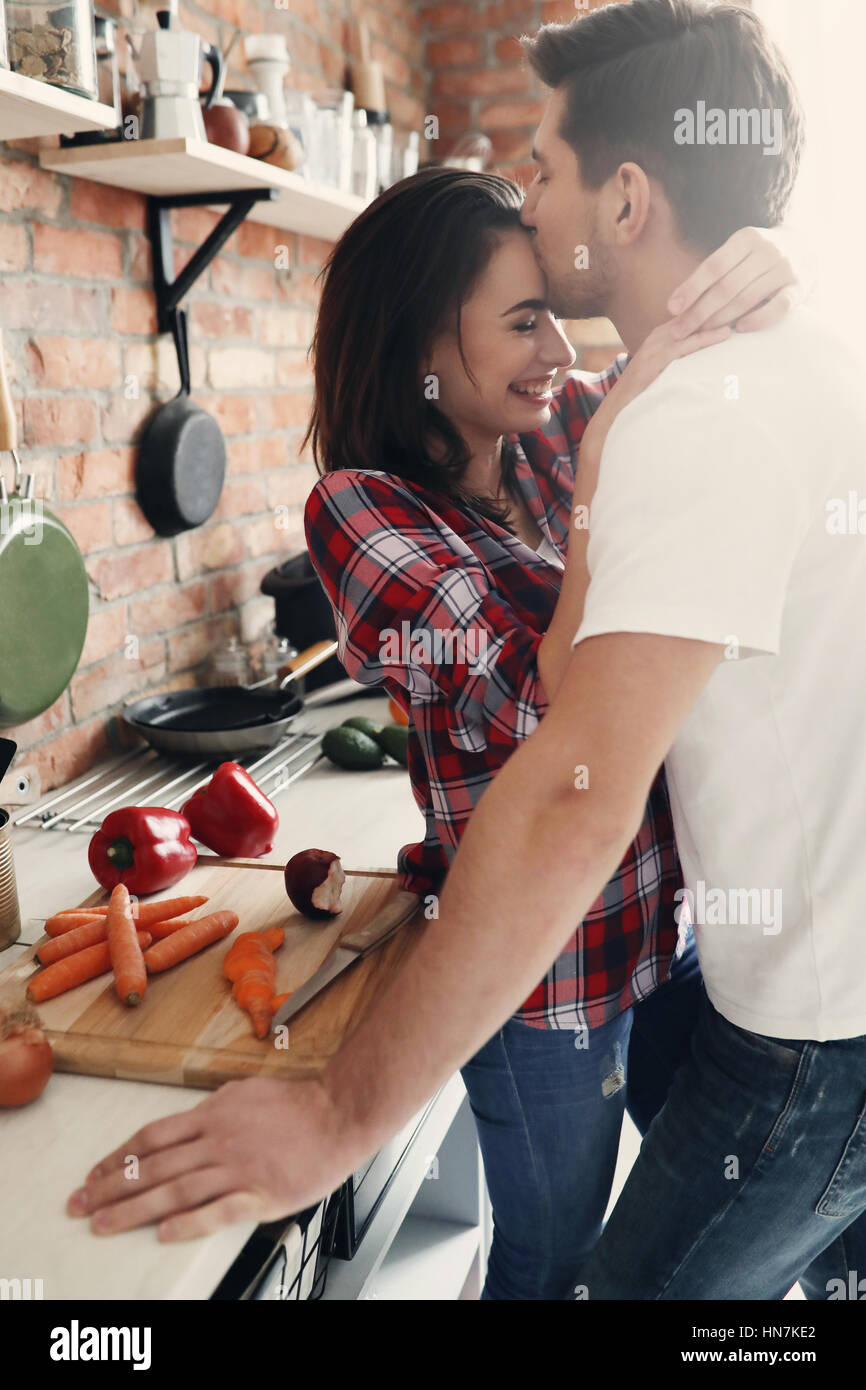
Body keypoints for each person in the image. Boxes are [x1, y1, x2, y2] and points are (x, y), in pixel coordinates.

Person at [68, 1, 864, 1303]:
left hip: (665, 942)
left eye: (542, 171)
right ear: (424, 344)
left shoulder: (581, 429)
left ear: (623, 195)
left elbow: (704, 347)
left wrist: (771, 253)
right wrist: (609, 471)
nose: (557, 345)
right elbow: (543, 709)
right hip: (541, 968)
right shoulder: (375, 508)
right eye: (520, 324)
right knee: (547, 1254)